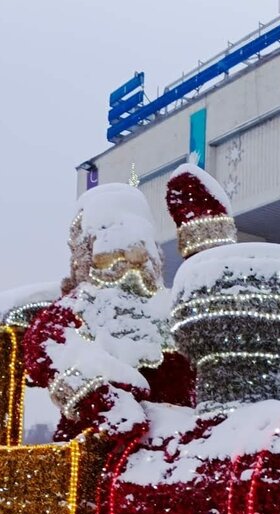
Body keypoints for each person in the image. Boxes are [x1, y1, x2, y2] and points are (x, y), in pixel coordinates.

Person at [22, 182, 194, 442]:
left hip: (179, 436)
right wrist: (108, 402)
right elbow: (51, 357)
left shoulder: (170, 313)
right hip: (96, 441)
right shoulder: (74, 311)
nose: (134, 256)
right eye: (116, 240)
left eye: (140, 241)